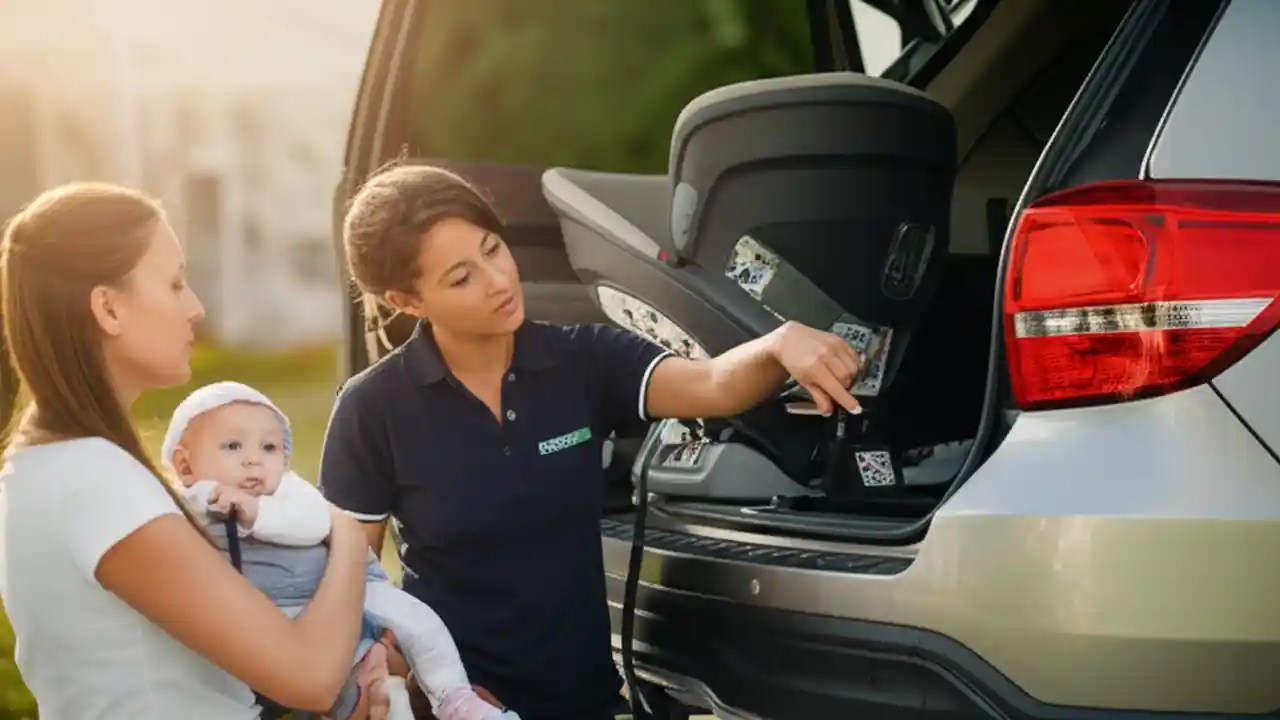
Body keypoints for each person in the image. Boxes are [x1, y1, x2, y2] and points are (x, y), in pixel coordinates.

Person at [319, 164, 863, 720]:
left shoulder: (582, 360)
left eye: (493, 249)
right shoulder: (372, 408)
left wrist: (779, 343)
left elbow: (714, 384)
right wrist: (424, 683)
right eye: (461, 277)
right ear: (408, 301)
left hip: (587, 705)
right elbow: (349, 588)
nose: (499, 279)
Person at [0, 183, 381, 719]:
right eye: (176, 284)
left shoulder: (53, 464)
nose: (196, 309)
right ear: (108, 308)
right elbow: (309, 677)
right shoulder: (91, 480)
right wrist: (342, 531)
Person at [164, 380, 519, 720]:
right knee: (343, 688)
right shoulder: (186, 503)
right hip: (271, 619)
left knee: (420, 623)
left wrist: (256, 512)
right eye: (232, 446)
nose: (254, 460)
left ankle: (453, 697)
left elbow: (315, 524)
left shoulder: (289, 492)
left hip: (342, 589)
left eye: (269, 447)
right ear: (185, 465)